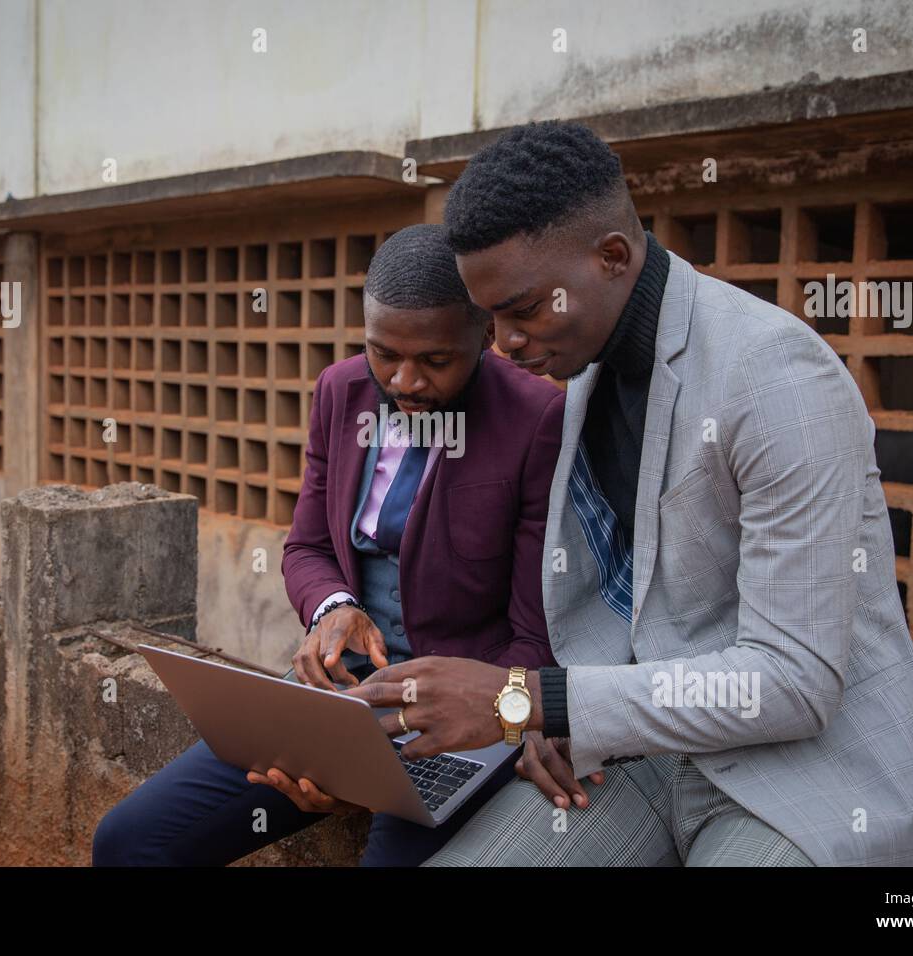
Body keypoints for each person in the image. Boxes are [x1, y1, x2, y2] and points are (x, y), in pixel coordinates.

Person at [348, 121, 913, 867]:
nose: (503, 343)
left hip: (800, 770)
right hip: (636, 755)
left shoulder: (774, 378)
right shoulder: (580, 367)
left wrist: (531, 699)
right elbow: (633, 607)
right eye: (492, 318)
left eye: (525, 310)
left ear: (611, 257)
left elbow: (796, 680)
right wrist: (557, 723)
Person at [92, 223, 564, 866]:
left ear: (483, 337)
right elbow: (308, 547)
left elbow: (535, 633)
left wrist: (505, 721)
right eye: (383, 353)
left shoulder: (536, 418)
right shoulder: (340, 391)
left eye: (434, 360)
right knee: (129, 845)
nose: (405, 382)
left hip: (453, 721)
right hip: (337, 698)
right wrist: (333, 607)